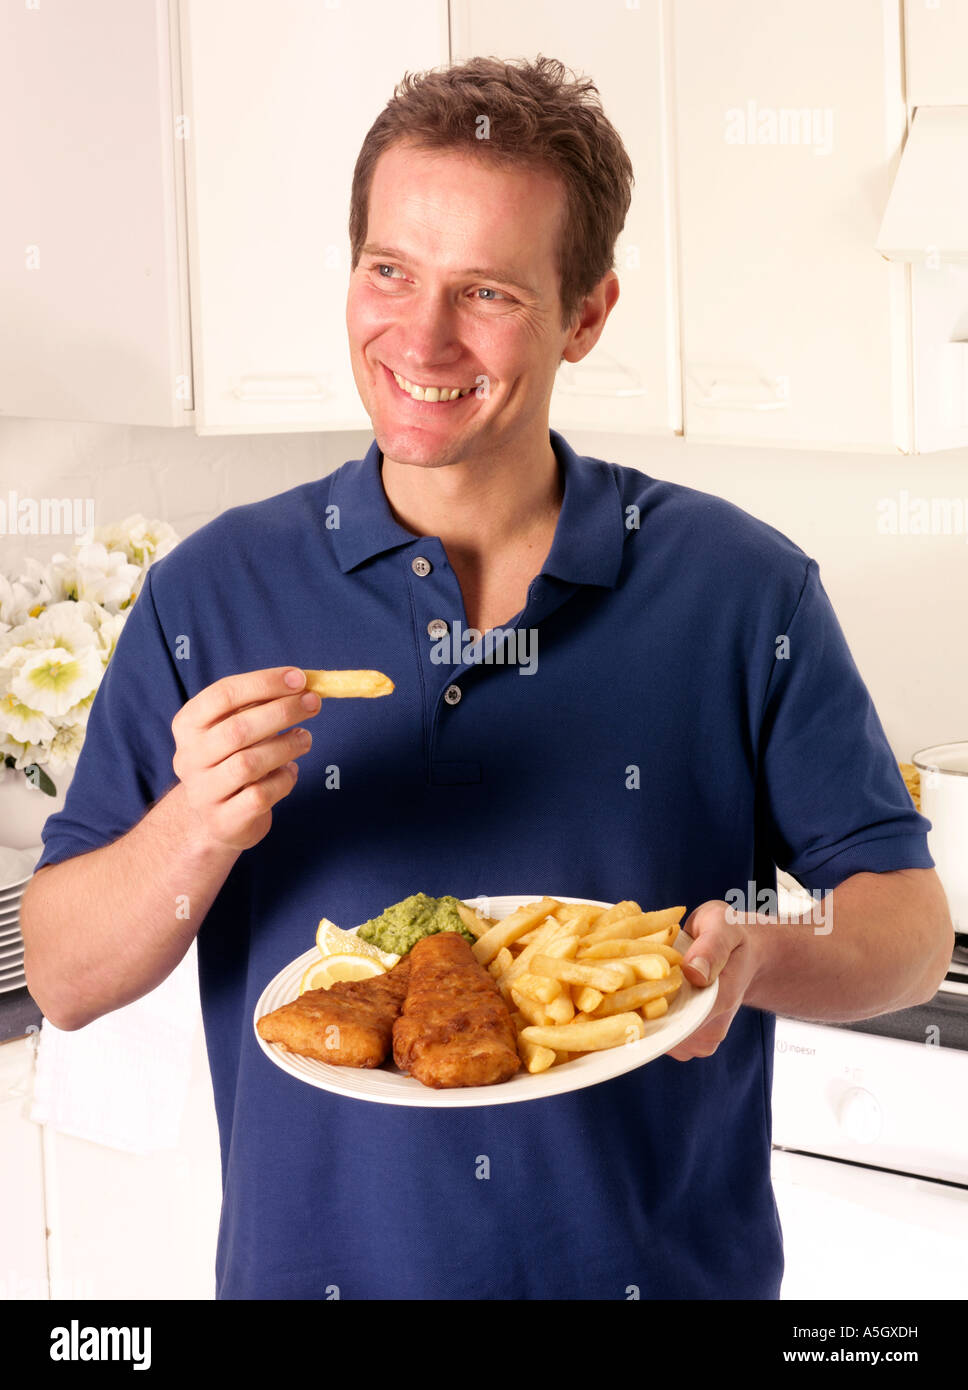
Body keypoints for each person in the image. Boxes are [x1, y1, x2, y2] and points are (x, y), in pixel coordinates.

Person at [22, 56, 952, 1300]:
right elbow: (63, 974)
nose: (420, 337)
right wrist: (194, 828)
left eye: (487, 291)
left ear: (585, 315)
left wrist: (759, 953)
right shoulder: (210, 592)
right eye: (389, 271)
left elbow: (907, 930)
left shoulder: (740, 590)